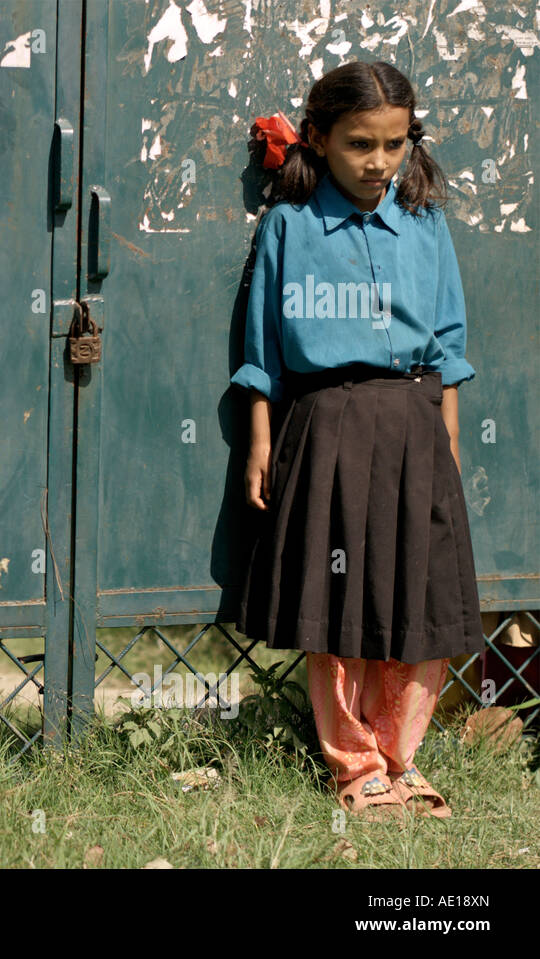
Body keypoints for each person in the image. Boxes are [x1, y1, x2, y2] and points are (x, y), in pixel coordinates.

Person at [232, 61, 484, 822]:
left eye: (394, 144)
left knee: (418, 598)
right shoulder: (289, 225)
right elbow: (261, 347)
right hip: (328, 425)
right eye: (359, 145)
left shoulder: (426, 223)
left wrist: (447, 444)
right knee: (338, 601)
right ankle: (355, 762)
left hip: (413, 427)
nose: (379, 162)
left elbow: (447, 344)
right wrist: (258, 440)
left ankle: (402, 757)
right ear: (318, 139)